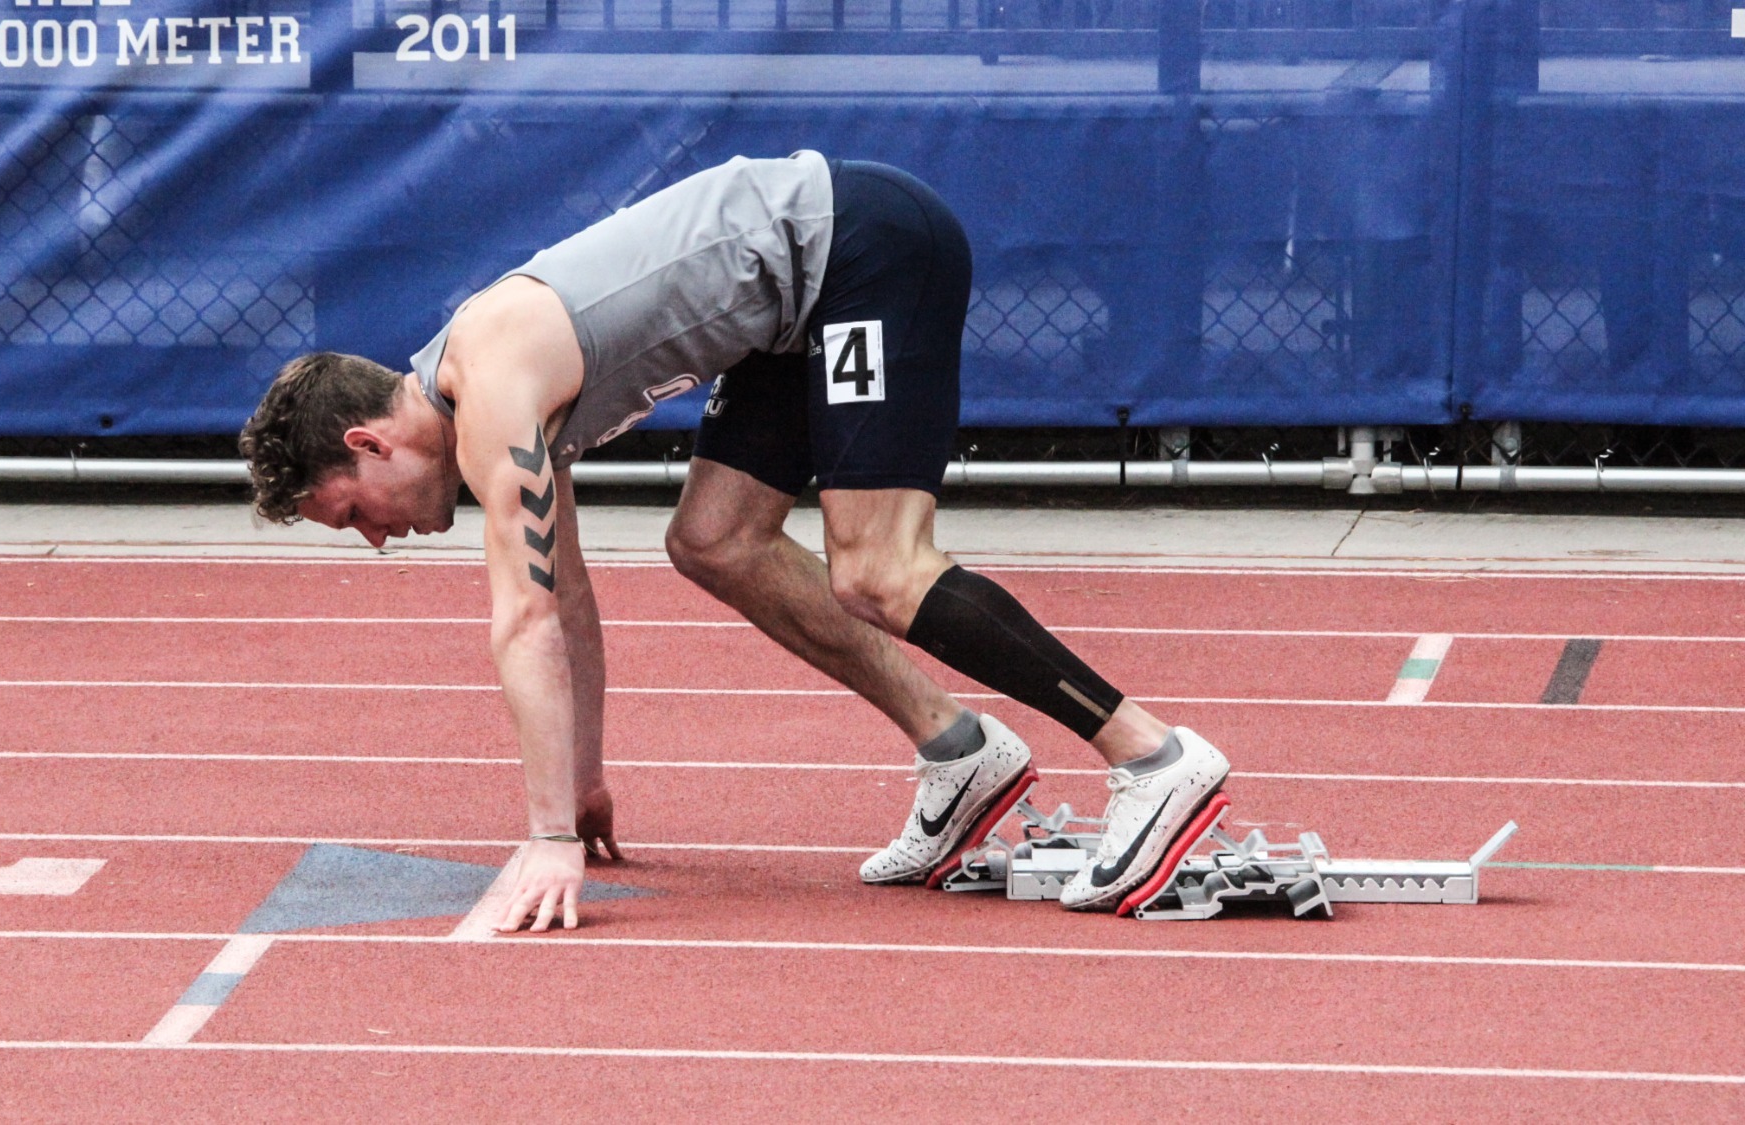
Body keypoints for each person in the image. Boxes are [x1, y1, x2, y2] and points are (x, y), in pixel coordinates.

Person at [238, 151, 1231, 933]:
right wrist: (579, 780)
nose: (373, 539)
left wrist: (549, 839)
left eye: (350, 511)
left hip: (862, 247)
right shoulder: (483, 393)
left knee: (879, 569)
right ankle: (959, 749)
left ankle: (1152, 758)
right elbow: (568, 597)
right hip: (791, 312)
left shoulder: (489, 384)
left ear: (366, 443)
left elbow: (526, 614)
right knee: (713, 538)